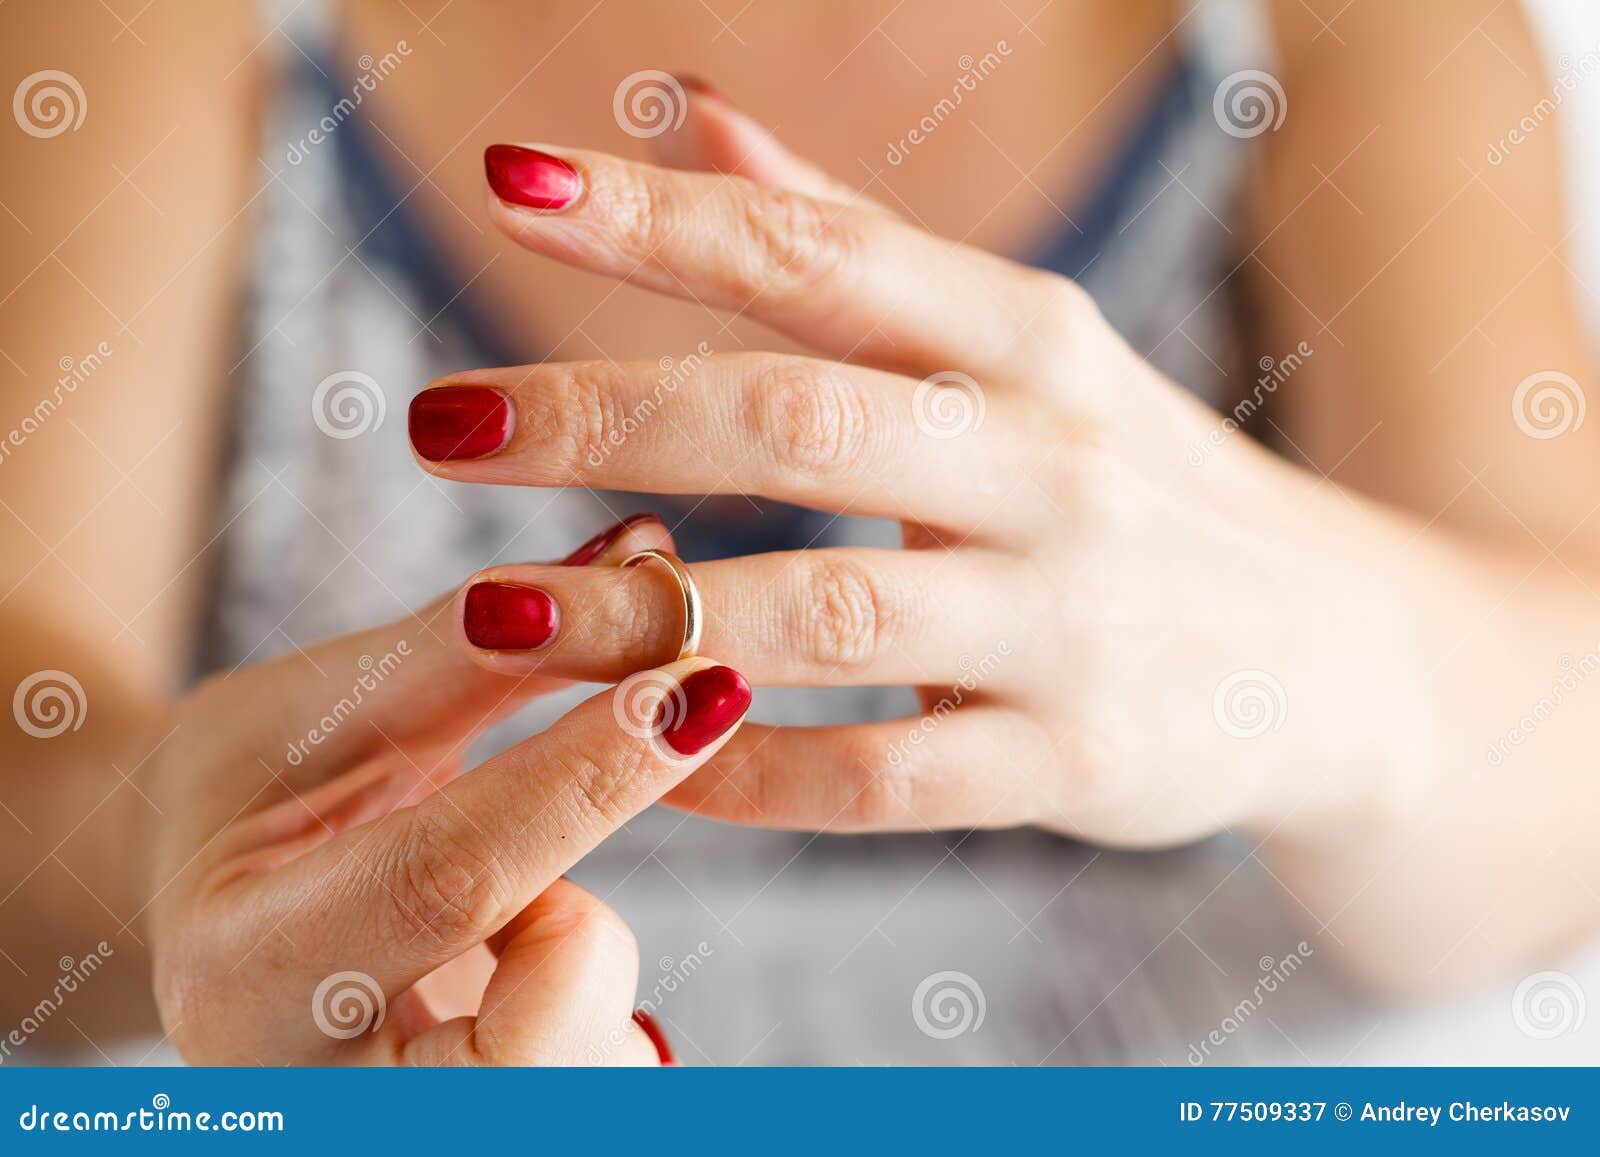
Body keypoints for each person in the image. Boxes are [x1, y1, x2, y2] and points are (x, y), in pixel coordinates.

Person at [3, 0, 1597, 1065]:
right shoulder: (155, 33)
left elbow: (1566, 781)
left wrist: (1312, 662)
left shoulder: (1351, 30)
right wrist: (163, 846)